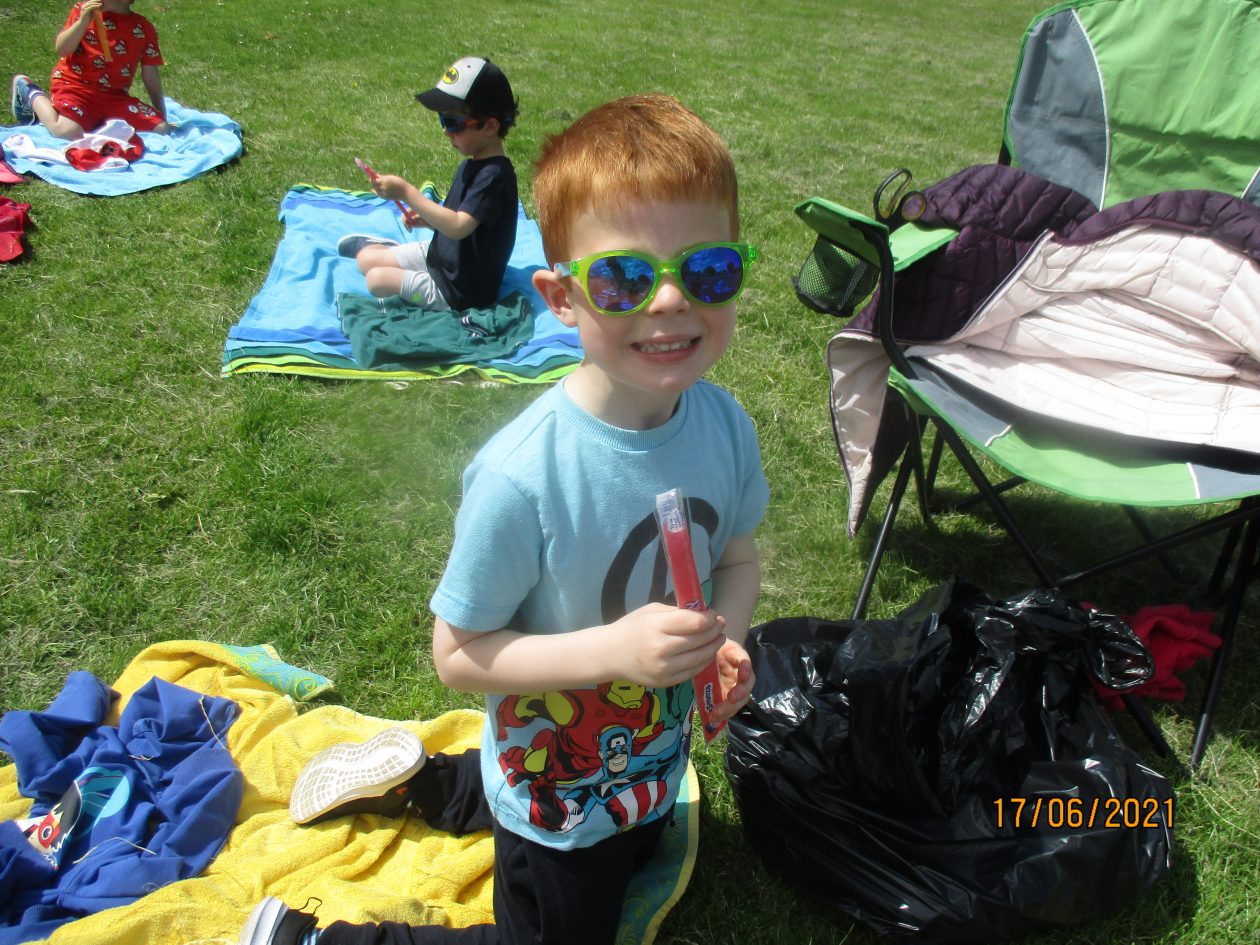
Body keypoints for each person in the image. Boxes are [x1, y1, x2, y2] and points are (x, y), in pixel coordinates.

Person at [239, 93, 769, 945]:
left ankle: (431, 782)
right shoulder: (524, 477)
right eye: (626, 278)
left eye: (706, 271)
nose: (670, 304)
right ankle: (310, 936)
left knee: (633, 855)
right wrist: (617, 652)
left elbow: (736, 559)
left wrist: (728, 637)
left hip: (645, 759)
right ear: (561, 297)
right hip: (553, 784)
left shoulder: (725, 426)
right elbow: (457, 656)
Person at [338, 57, 519, 313]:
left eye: (453, 123)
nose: (446, 132)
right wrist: (430, 219)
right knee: (365, 260)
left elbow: (458, 226)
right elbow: (460, 220)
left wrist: (406, 192)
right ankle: (385, 250)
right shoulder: (472, 164)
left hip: (459, 291)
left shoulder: (496, 177)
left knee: (376, 281)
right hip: (439, 256)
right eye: (442, 121)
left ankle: (401, 279)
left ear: (490, 127)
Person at [9, 0, 173, 140]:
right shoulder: (84, 11)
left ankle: (94, 120)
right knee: (66, 132)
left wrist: (161, 112)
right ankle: (29, 91)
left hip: (114, 97)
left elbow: (150, 74)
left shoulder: (142, 27)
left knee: (161, 129)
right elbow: (62, 49)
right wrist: (82, 23)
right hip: (75, 88)